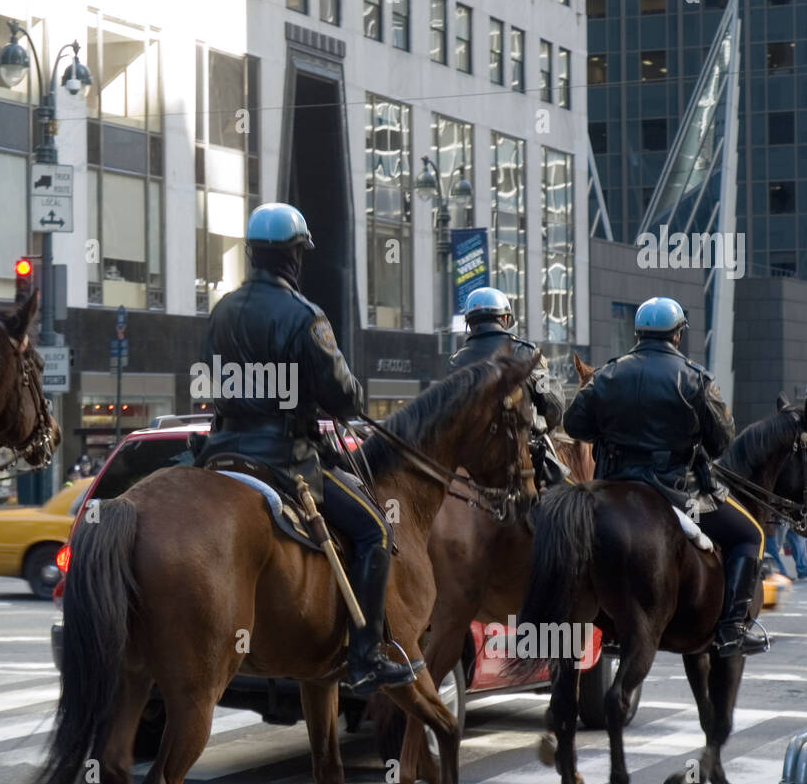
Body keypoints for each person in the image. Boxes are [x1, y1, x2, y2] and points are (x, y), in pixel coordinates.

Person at [195, 202, 421, 694]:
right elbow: (343, 398)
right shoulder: (304, 315)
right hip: (284, 459)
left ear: (254, 254)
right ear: (295, 257)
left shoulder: (221, 311)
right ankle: (365, 657)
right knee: (374, 531)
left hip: (220, 453)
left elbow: (208, 380)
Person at [563, 297, 768, 656]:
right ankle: (733, 629)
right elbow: (722, 441)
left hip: (612, 486)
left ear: (638, 333)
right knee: (750, 535)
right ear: (677, 335)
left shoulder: (608, 374)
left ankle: (595, 627)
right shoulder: (695, 378)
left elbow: (573, 424)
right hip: (675, 492)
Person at [448, 287, 567, 488]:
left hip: (467, 460)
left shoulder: (454, 362)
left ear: (470, 323)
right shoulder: (526, 353)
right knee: (562, 507)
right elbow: (554, 405)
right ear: (504, 318)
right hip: (523, 456)